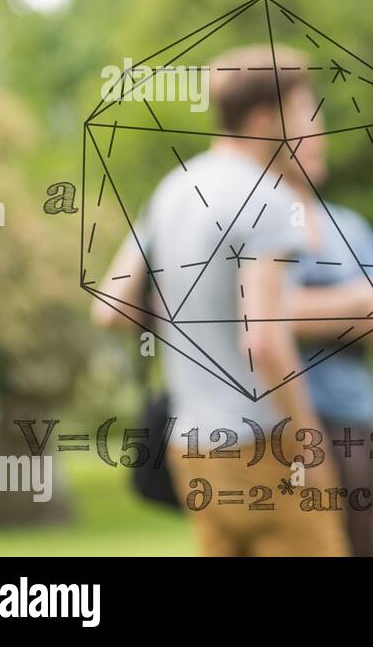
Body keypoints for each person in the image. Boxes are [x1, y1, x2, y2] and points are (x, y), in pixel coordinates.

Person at [91, 44, 349, 556]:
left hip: (191, 447)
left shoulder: (175, 187)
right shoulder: (270, 198)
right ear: (262, 116)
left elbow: (111, 306)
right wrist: (311, 445)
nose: (314, 125)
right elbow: (265, 341)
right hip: (266, 446)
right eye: (303, 110)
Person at [280, 131, 373, 557]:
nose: (319, 143)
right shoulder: (250, 225)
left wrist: (301, 311)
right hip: (285, 422)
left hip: (359, 423)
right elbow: (250, 314)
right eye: (303, 136)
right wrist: (356, 300)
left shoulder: (346, 225)